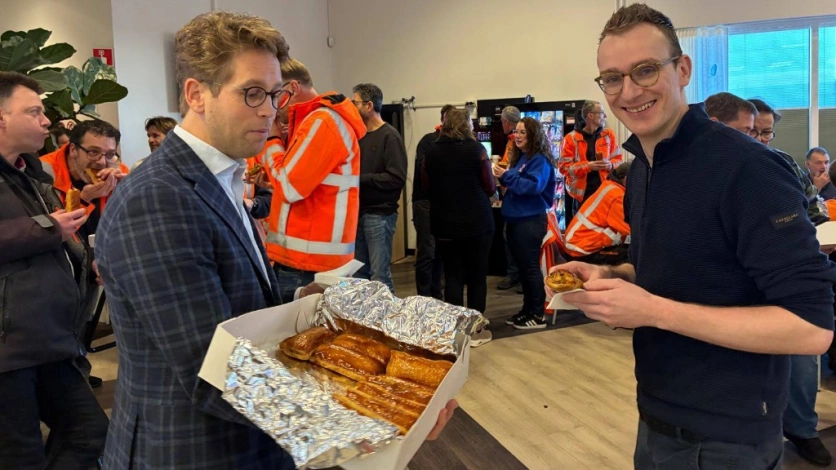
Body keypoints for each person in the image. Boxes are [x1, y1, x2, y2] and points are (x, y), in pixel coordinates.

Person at [549, 5, 836, 469]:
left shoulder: (748, 169)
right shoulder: (643, 168)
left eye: (645, 70)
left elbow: (811, 328)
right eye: (613, 78)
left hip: (728, 436)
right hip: (657, 416)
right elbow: (675, 269)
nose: (630, 91)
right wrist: (608, 273)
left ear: (682, 69)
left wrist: (653, 311)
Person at [0, 71, 108, 469]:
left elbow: (56, 237)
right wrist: (48, 228)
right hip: (9, 347)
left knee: (88, 432)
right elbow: (46, 230)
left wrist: (89, 262)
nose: (47, 121)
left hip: (50, 340)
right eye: (34, 111)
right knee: (19, 454)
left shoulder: (32, 174)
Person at [747, 98, 833, 466]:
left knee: (803, 360)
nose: (764, 138)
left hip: (791, 275)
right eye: (756, 131)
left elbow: (815, 208)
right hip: (744, 281)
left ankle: (802, 428)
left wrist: (813, 232)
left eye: (768, 131)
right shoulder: (716, 167)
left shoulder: (784, 163)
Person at [262, 58, 367, 302]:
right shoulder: (319, 121)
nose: (273, 108)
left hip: (306, 263)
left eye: (274, 96)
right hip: (309, 260)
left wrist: (272, 140)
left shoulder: (323, 122)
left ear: (293, 88)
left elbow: (288, 187)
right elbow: (302, 184)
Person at [423, 109, 495, 346]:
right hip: (477, 220)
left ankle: (455, 330)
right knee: (476, 276)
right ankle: (475, 329)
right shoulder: (476, 150)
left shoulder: (431, 151)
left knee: (452, 276)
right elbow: (489, 186)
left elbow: (425, 186)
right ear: (466, 125)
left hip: (444, 222)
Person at [493, 117, 556, 330]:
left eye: (522, 132)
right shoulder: (523, 158)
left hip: (529, 222)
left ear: (533, 135)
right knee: (523, 268)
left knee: (529, 269)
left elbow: (533, 187)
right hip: (515, 220)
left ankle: (537, 314)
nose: (517, 136)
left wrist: (507, 176)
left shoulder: (540, 160)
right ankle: (527, 310)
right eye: (516, 132)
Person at [351, 83, 407, 292]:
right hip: (358, 213)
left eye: (354, 102)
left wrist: (360, 179)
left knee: (380, 275)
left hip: (380, 215)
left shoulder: (389, 136)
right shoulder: (359, 136)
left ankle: (385, 322)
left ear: (368, 105)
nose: (350, 106)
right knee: (358, 275)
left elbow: (396, 178)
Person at [40, 119, 129, 242]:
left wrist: (126, 191)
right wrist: (84, 199)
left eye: (109, 154)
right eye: (93, 152)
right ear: (73, 150)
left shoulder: (118, 171)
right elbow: (52, 232)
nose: (102, 162)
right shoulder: (43, 172)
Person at [412, 104, 455, 299]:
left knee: (440, 253)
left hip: (444, 204)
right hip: (425, 202)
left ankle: (437, 297)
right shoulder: (428, 141)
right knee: (427, 253)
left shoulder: (455, 143)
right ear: (443, 119)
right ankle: (424, 298)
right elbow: (425, 175)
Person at [559, 100, 622, 223]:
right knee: (583, 232)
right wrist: (588, 166)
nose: (605, 116)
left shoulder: (609, 135)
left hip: (605, 193)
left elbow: (618, 159)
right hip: (582, 197)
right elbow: (563, 168)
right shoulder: (570, 139)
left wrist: (611, 164)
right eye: (602, 113)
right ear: (591, 115)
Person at [562, 161, 631, 265]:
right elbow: (629, 229)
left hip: (578, 246)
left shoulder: (610, 185)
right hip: (582, 252)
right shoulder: (617, 196)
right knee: (631, 255)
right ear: (626, 179)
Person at [497, 105, 522, 292]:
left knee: (512, 236)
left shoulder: (514, 142)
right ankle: (520, 275)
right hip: (516, 194)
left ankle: (516, 274)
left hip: (515, 195)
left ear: (506, 121)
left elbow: (510, 168)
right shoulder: (512, 142)